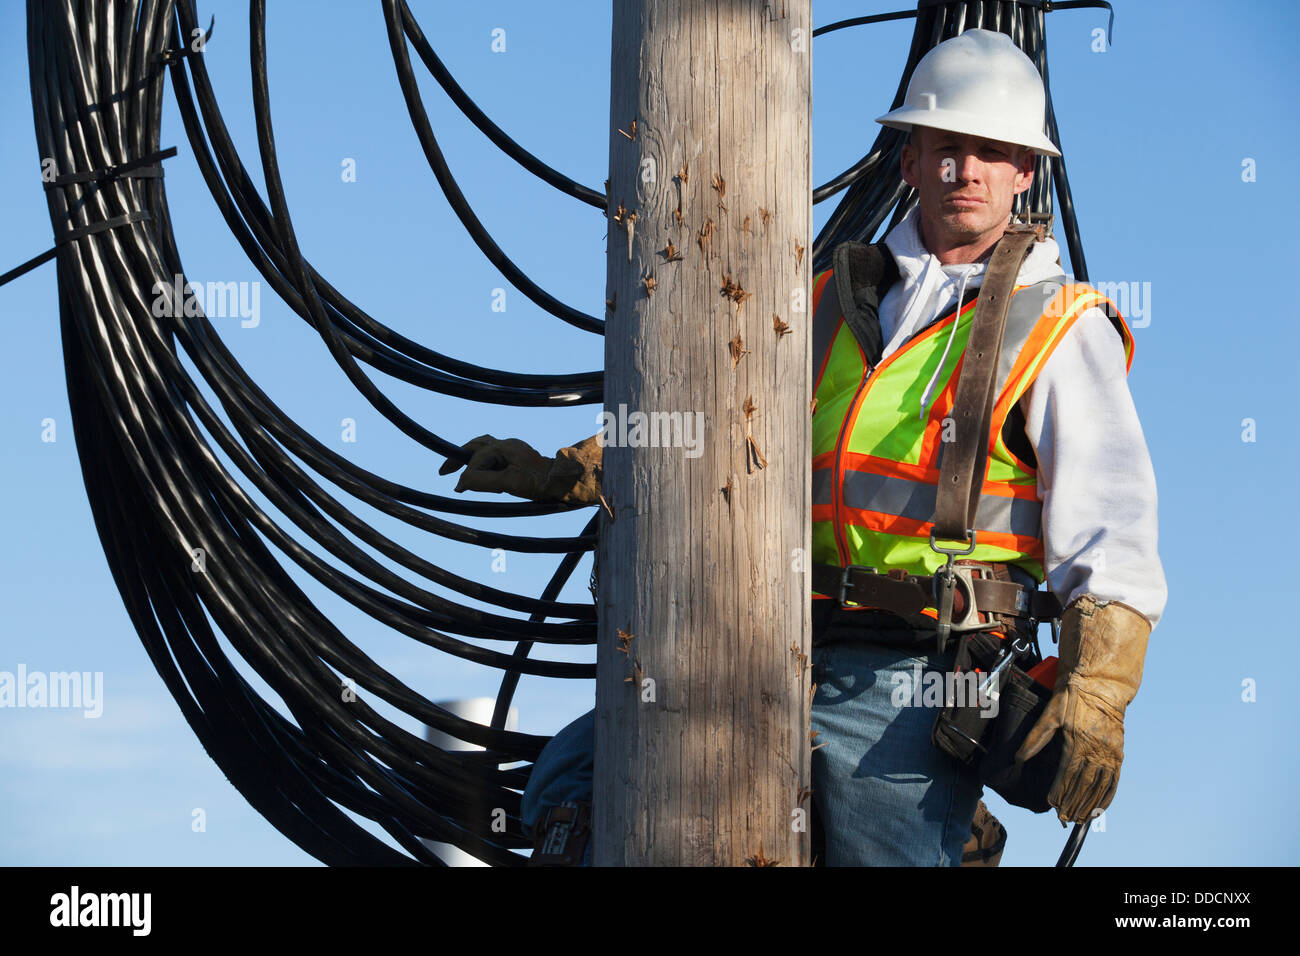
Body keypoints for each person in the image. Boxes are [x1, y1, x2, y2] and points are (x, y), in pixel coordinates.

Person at [442, 29, 1166, 866]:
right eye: (945, 148)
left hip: (922, 666)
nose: (964, 170)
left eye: (990, 152)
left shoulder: (1061, 327)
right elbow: (712, 414)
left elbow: (1113, 530)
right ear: (909, 163)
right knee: (570, 782)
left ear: (1024, 172)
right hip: (765, 634)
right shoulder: (824, 297)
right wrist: (575, 468)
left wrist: (1098, 696)